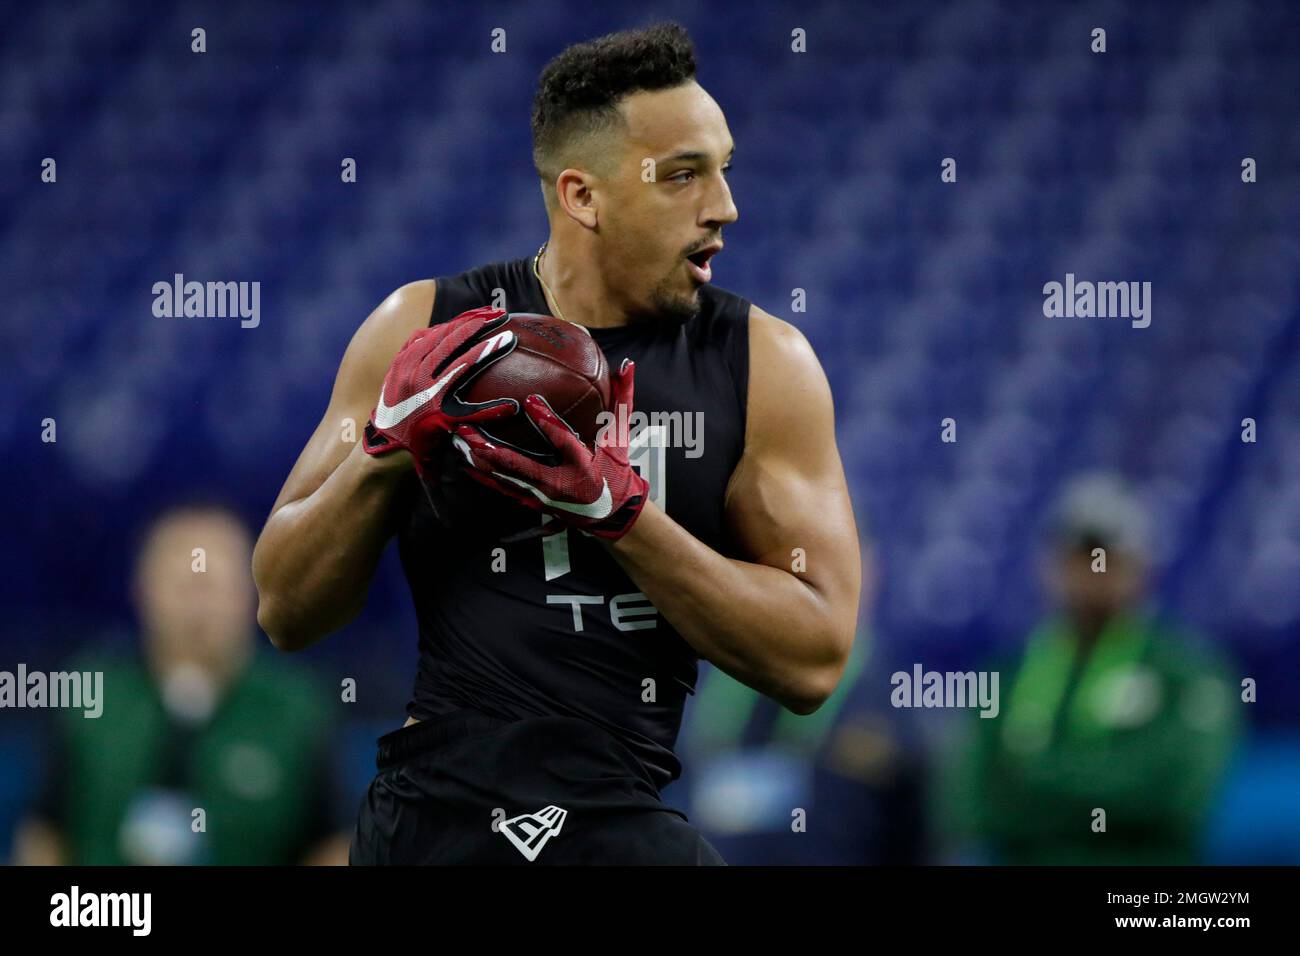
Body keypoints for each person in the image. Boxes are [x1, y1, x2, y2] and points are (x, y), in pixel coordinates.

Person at [252, 22, 861, 864]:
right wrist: (386, 449)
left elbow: (815, 659)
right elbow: (284, 609)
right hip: (437, 808)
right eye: (684, 175)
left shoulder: (762, 364)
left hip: (620, 804)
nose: (725, 205)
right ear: (583, 197)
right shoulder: (423, 328)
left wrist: (621, 516)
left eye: (724, 168)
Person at [14, 501, 347, 865]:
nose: (198, 607)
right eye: (184, 585)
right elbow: (43, 833)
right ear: (142, 590)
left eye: (214, 585)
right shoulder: (89, 694)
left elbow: (332, 845)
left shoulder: (296, 708)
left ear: (250, 593)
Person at [940, 473, 1241, 865]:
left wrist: (1034, 779)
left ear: (1141, 565)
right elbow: (972, 805)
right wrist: (1114, 783)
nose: (1093, 574)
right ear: (1048, 565)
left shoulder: (1187, 671)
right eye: (1078, 559)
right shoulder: (1007, 674)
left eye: (1106, 558)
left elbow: (1179, 800)